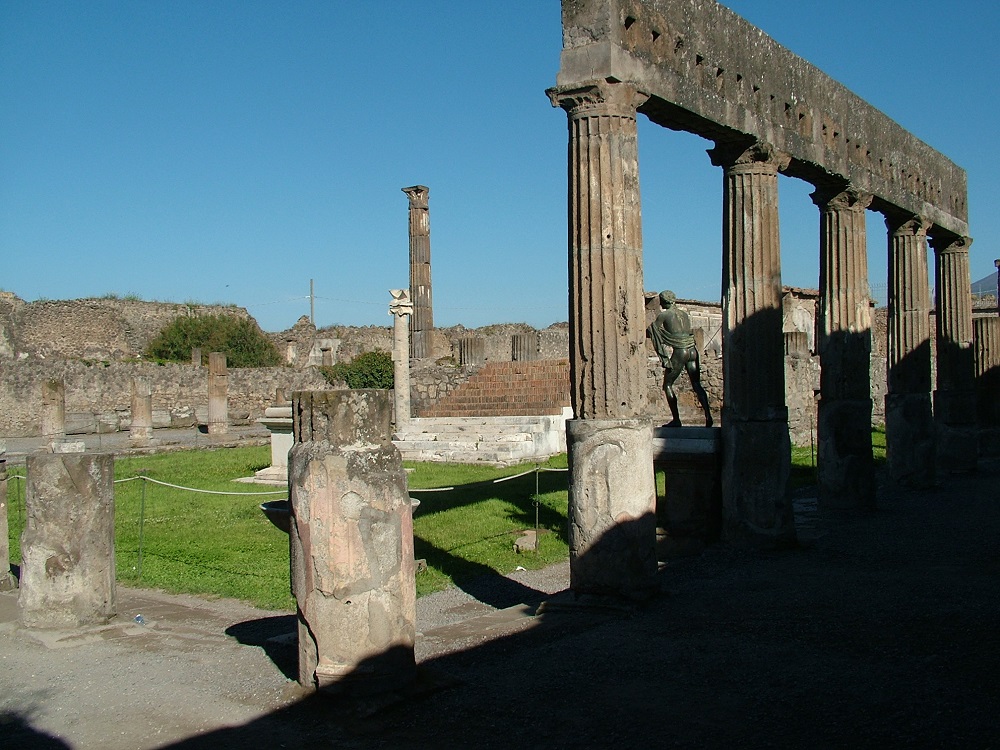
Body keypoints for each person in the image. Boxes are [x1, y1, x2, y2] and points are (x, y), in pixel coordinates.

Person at [646, 290, 713, 427]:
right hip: (692, 350)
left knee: (667, 385)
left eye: (661, 302)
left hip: (681, 351)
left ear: (664, 301)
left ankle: (676, 420)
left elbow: (652, 331)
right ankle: (708, 416)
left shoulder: (664, 315)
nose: (661, 304)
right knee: (696, 384)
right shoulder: (684, 314)